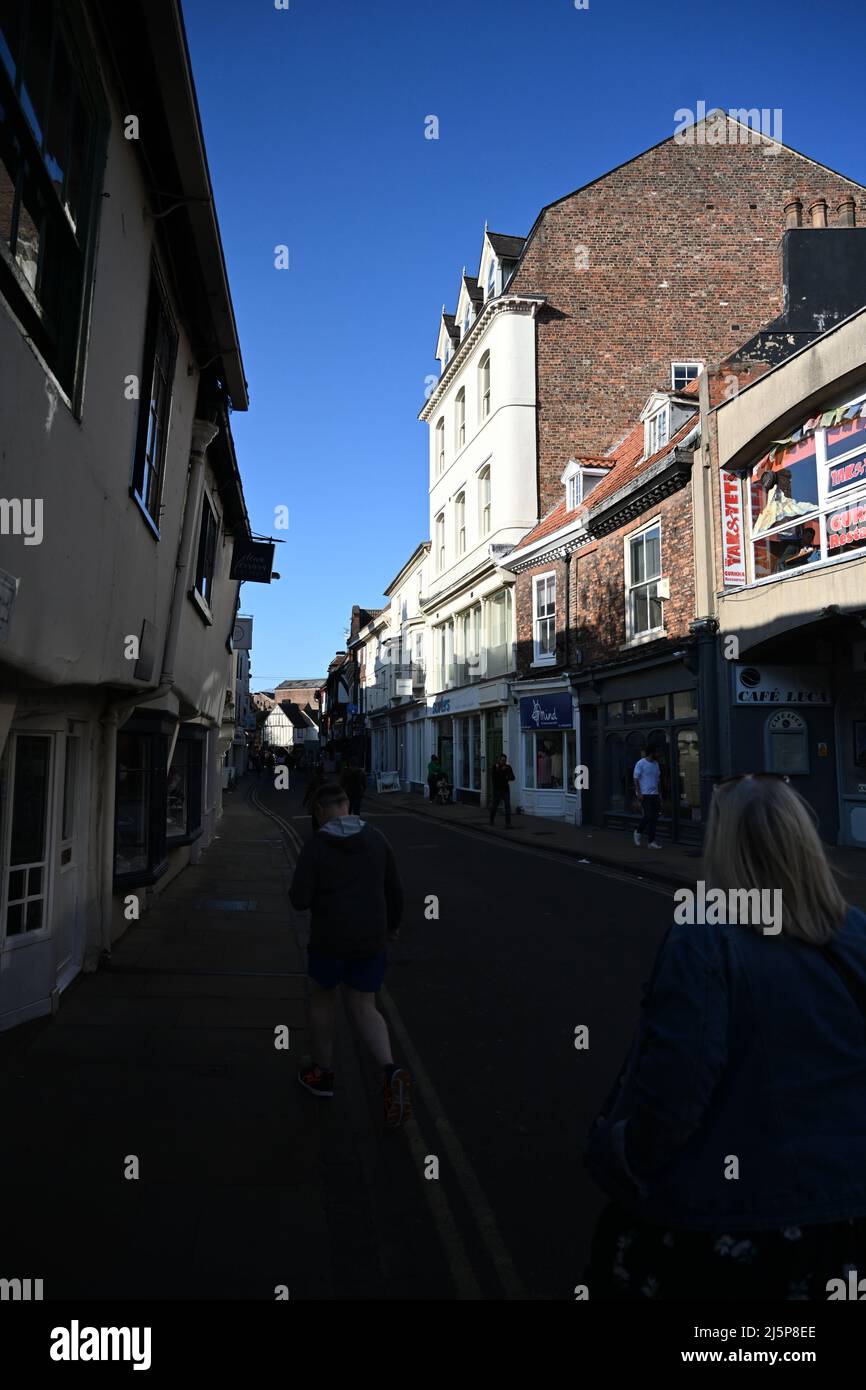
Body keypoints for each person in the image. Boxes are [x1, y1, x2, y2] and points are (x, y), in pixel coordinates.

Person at [583, 774, 866, 1300]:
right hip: (847, 1227)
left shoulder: (704, 941)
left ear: (724, 847)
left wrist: (623, 1154)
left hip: (733, 1227)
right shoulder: (856, 935)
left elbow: (673, 1094)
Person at [289, 782, 412, 1127]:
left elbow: (298, 899)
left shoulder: (316, 846)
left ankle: (323, 1075)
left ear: (319, 811)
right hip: (370, 940)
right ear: (347, 805)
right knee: (365, 1006)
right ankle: (390, 1071)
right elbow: (396, 891)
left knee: (323, 999)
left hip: (330, 940)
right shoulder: (377, 839)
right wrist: (392, 926)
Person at [632, 747, 662, 848]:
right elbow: (636, 778)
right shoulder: (641, 763)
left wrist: (660, 795)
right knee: (648, 816)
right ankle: (638, 832)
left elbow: (658, 780)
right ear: (651, 753)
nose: (659, 754)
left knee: (654, 818)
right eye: (657, 752)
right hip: (645, 794)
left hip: (655, 794)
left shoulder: (656, 764)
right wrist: (639, 793)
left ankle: (651, 842)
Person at [489, 754, 515, 828]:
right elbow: (494, 778)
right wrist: (501, 771)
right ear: (499, 760)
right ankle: (491, 820)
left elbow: (513, 777)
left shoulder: (508, 767)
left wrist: (508, 776)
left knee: (507, 806)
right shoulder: (496, 767)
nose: (503, 762)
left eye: (505, 760)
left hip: (505, 789)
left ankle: (508, 823)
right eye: (502, 760)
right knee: (495, 806)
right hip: (497, 789)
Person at [302, 760, 326, 834]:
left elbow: (308, 791)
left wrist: (304, 801)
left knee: (315, 819)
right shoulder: (326, 780)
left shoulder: (313, 780)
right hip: (324, 802)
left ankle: (316, 833)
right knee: (322, 818)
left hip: (315, 801)